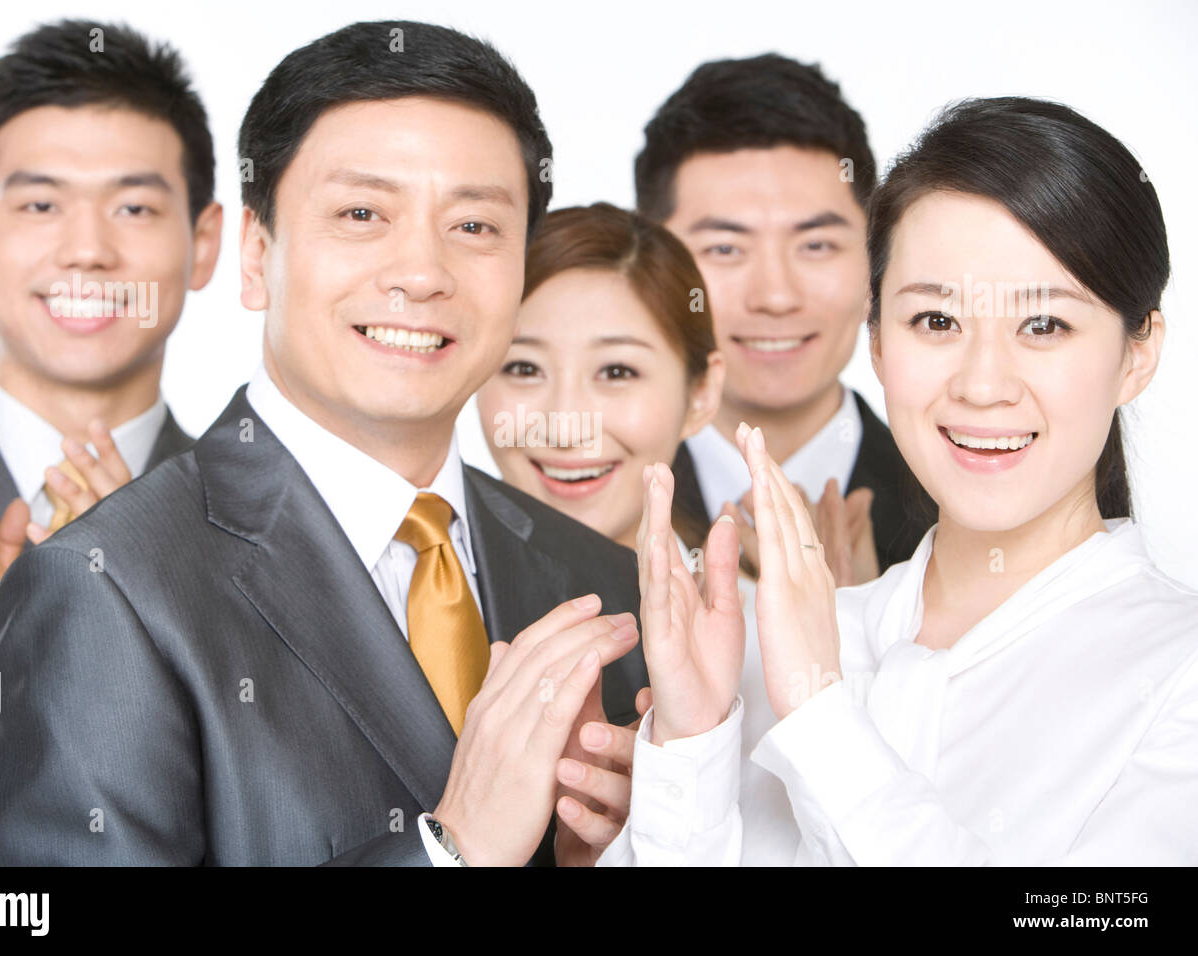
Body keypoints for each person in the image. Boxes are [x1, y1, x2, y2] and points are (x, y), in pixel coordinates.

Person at [0, 20, 648, 867]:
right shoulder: (105, 590)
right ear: (256, 256)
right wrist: (455, 850)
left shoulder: (600, 582)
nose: (420, 272)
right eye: (362, 213)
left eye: (474, 226)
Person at [601, 96, 1198, 865]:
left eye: (1044, 325)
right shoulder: (771, 646)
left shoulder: (1178, 675)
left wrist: (821, 714)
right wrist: (689, 743)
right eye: (937, 322)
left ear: (1138, 352)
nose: (984, 386)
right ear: (876, 339)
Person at [0, 19, 222, 866]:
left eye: (135, 207)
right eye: (41, 204)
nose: (87, 250)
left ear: (207, 242)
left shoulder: (273, 513)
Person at [475, 202, 722, 855]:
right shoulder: (425, 603)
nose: (566, 423)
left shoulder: (765, 640)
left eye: (617, 372)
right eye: (523, 368)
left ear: (701, 393)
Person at [636, 53, 935, 579]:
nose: (775, 296)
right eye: (725, 249)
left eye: (816, 244)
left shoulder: (958, 507)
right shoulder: (588, 497)